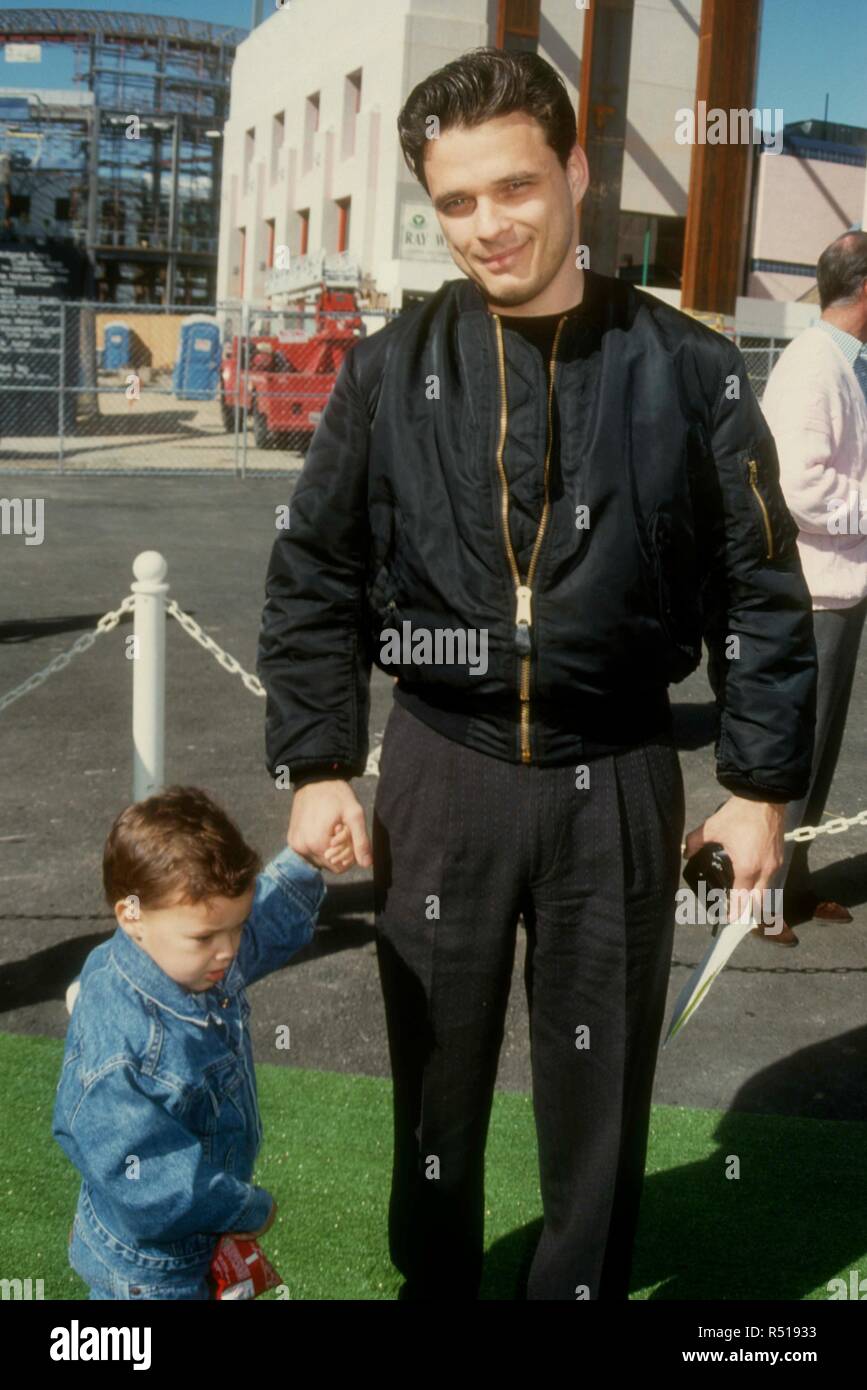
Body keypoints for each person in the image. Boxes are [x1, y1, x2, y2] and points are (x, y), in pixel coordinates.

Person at [256, 48, 817, 1300]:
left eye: (513, 187)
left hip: (616, 777)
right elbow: (315, 575)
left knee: (600, 1092)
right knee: (435, 1089)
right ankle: (437, 1289)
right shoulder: (389, 369)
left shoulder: (690, 369)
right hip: (440, 780)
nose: (488, 225)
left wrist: (762, 784)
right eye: (456, 202)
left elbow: (762, 593)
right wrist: (318, 760)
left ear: (573, 172)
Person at [52, 784, 330, 1300]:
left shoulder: (184, 954)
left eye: (236, 928)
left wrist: (306, 860)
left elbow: (260, 923)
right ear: (130, 916)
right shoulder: (125, 1047)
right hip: (152, 1269)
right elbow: (151, 1179)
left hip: (184, 1243)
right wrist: (246, 1209)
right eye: (206, 938)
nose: (228, 953)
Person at [760, 230, 867, 940]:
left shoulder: (839, 362)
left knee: (818, 748)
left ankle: (790, 884)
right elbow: (801, 488)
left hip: (838, 587)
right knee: (791, 749)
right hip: (813, 593)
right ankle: (762, 896)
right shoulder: (813, 367)